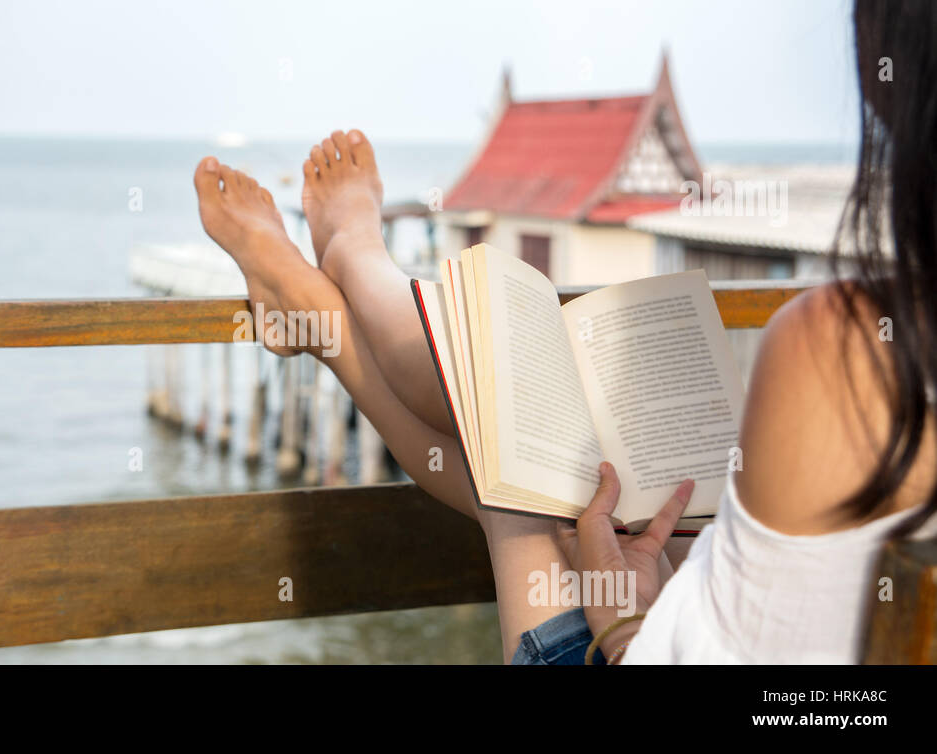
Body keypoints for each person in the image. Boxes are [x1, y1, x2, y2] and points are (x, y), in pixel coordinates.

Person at [191, 0, 937, 664]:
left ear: (886, 74)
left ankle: (344, 275)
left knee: (519, 487)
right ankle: (332, 295)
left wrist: (622, 625)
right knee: (564, 482)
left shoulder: (853, 354)